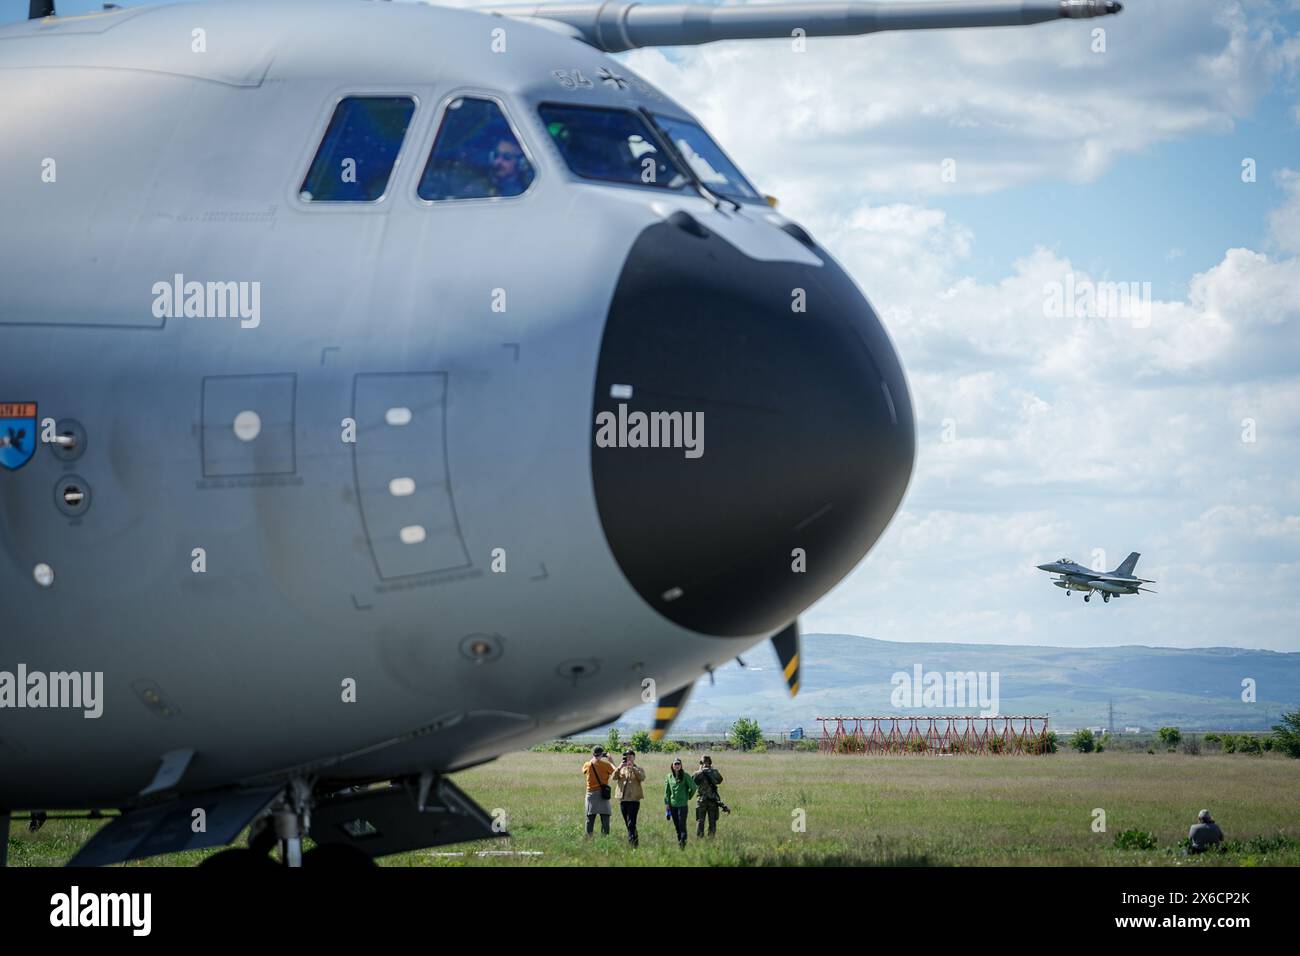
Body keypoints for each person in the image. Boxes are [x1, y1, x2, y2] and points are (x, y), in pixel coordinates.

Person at [614, 748, 647, 847]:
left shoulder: (638, 769)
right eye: (626, 757)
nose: (628, 758)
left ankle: (632, 844)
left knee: (631, 823)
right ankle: (635, 842)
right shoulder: (621, 769)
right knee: (628, 823)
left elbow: (642, 777)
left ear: (634, 757)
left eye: (630, 756)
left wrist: (633, 768)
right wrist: (619, 767)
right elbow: (614, 777)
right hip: (623, 800)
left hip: (634, 800)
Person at [581, 746, 617, 837]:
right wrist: (611, 761)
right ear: (602, 754)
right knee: (605, 818)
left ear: (593, 754)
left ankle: (589, 837)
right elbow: (616, 773)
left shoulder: (587, 764)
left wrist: (594, 759)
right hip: (602, 794)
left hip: (591, 795)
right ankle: (604, 839)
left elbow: (584, 771)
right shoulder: (606, 765)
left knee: (590, 819)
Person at [663, 757, 697, 848]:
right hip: (672, 805)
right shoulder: (669, 777)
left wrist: (688, 796)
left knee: (682, 825)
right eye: (675, 764)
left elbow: (694, 787)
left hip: (682, 805)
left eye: (679, 764)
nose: (677, 765)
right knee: (677, 826)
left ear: (681, 765)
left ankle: (683, 845)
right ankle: (680, 843)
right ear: (672, 766)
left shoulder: (685, 776)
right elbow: (667, 792)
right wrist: (667, 805)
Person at [693, 755, 725, 839]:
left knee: (710, 821)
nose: (706, 764)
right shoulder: (699, 773)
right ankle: (703, 838)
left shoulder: (713, 771)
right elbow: (693, 781)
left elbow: (720, 780)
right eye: (704, 762)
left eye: (707, 762)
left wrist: (710, 771)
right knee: (702, 821)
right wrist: (702, 771)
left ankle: (708, 839)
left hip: (710, 800)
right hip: (704, 800)